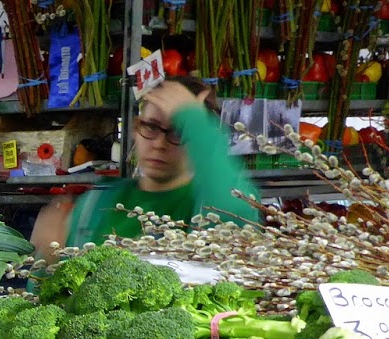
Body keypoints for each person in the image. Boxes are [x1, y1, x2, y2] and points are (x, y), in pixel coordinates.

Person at [33, 77, 259, 258]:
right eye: (150, 127)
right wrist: (48, 259)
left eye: (178, 132)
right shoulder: (96, 203)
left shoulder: (207, 207)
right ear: (135, 129)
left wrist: (195, 121)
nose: (159, 144)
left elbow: (237, 209)